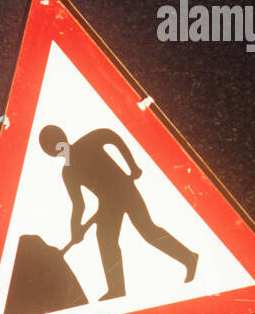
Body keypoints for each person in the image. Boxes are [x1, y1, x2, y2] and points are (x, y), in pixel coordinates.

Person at [39, 124, 198, 300]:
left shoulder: (86, 144)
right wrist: (75, 229)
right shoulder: (68, 172)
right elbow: (79, 204)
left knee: (147, 230)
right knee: (106, 241)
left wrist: (133, 166)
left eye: (51, 145)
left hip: (125, 190)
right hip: (108, 204)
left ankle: (190, 258)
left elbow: (112, 136)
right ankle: (116, 290)